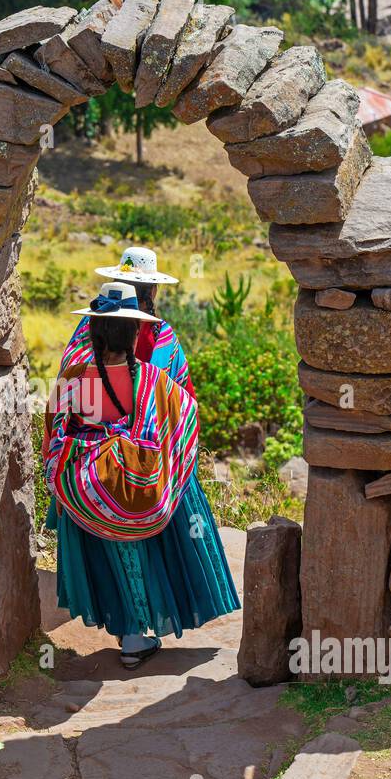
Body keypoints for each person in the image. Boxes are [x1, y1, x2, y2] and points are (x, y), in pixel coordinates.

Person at [43, 248, 241, 670]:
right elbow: (184, 415)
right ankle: (148, 627)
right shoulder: (159, 355)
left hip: (91, 482)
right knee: (153, 541)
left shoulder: (78, 364)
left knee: (111, 550)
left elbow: (57, 427)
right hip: (143, 474)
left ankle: (129, 634)